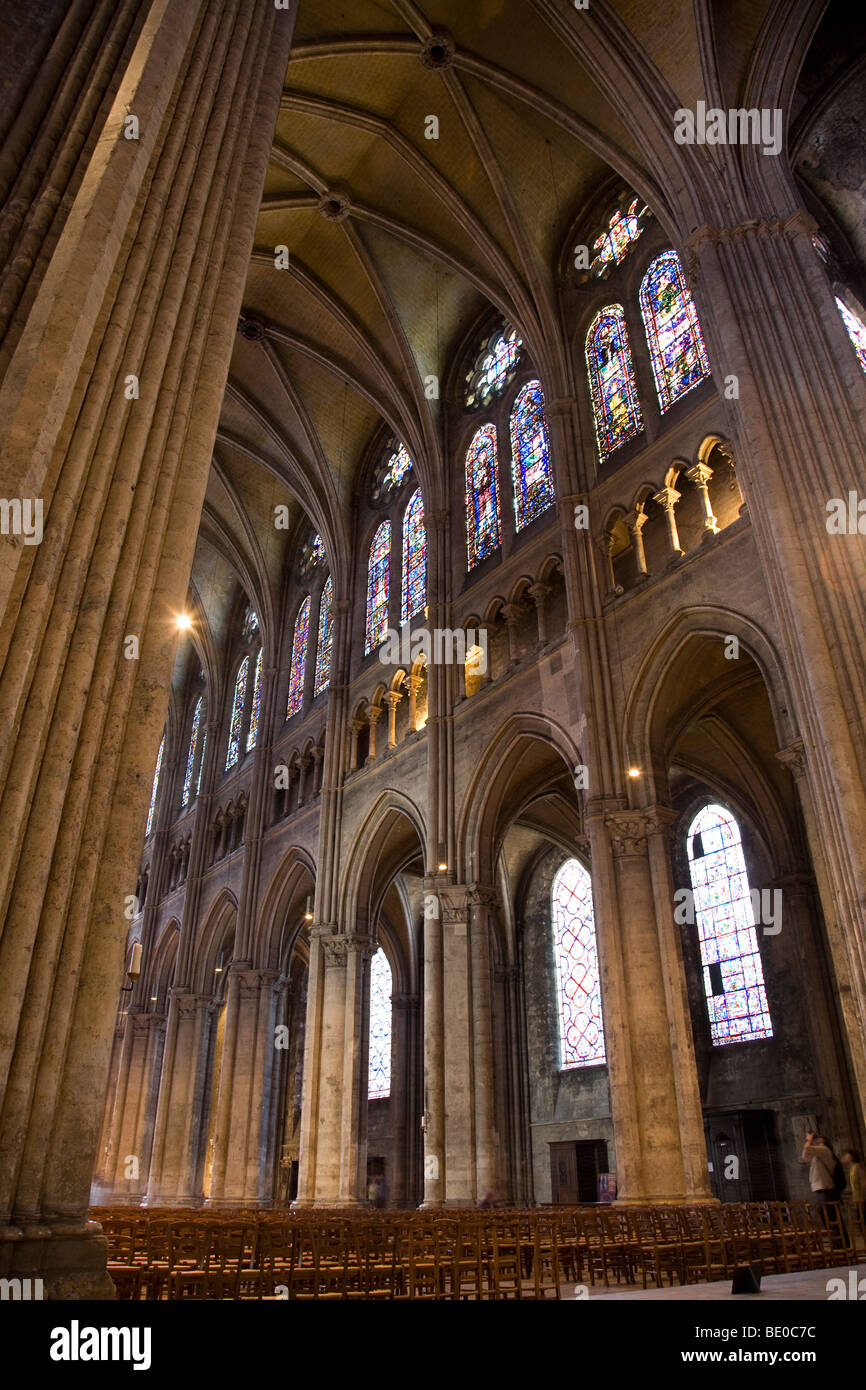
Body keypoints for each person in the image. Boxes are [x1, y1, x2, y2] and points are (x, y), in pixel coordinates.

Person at [842, 1148, 865, 1230]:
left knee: (863, 1219)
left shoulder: (857, 1167)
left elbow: (863, 1182)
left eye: (847, 1155)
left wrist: (861, 1197)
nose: (845, 1156)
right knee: (860, 1219)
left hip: (861, 1197)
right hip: (857, 1197)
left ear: (852, 1156)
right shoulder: (852, 1168)